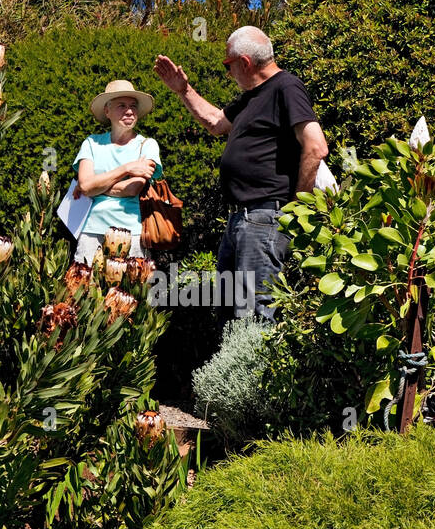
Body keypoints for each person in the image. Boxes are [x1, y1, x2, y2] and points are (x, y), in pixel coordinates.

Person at [154, 26, 328, 320]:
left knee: (255, 315)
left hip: (264, 219)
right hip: (240, 220)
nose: (228, 72)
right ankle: (231, 367)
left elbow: (316, 146)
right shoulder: (250, 98)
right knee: (228, 314)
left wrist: (298, 208)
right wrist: (183, 90)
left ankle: (254, 367)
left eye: (228, 64)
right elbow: (215, 122)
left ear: (245, 63)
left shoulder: (286, 87)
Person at [72, 79, 163, 264]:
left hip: (133, 233)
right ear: (107, 111)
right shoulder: (91, 143)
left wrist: (94, 186)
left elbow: (133, 188)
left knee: (129, 291)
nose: (129, 111)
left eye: (133, 106)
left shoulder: (148, 145)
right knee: (87, 291)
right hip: (91, 231)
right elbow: (85, 184)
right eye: (122, 105)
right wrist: (127, 168)